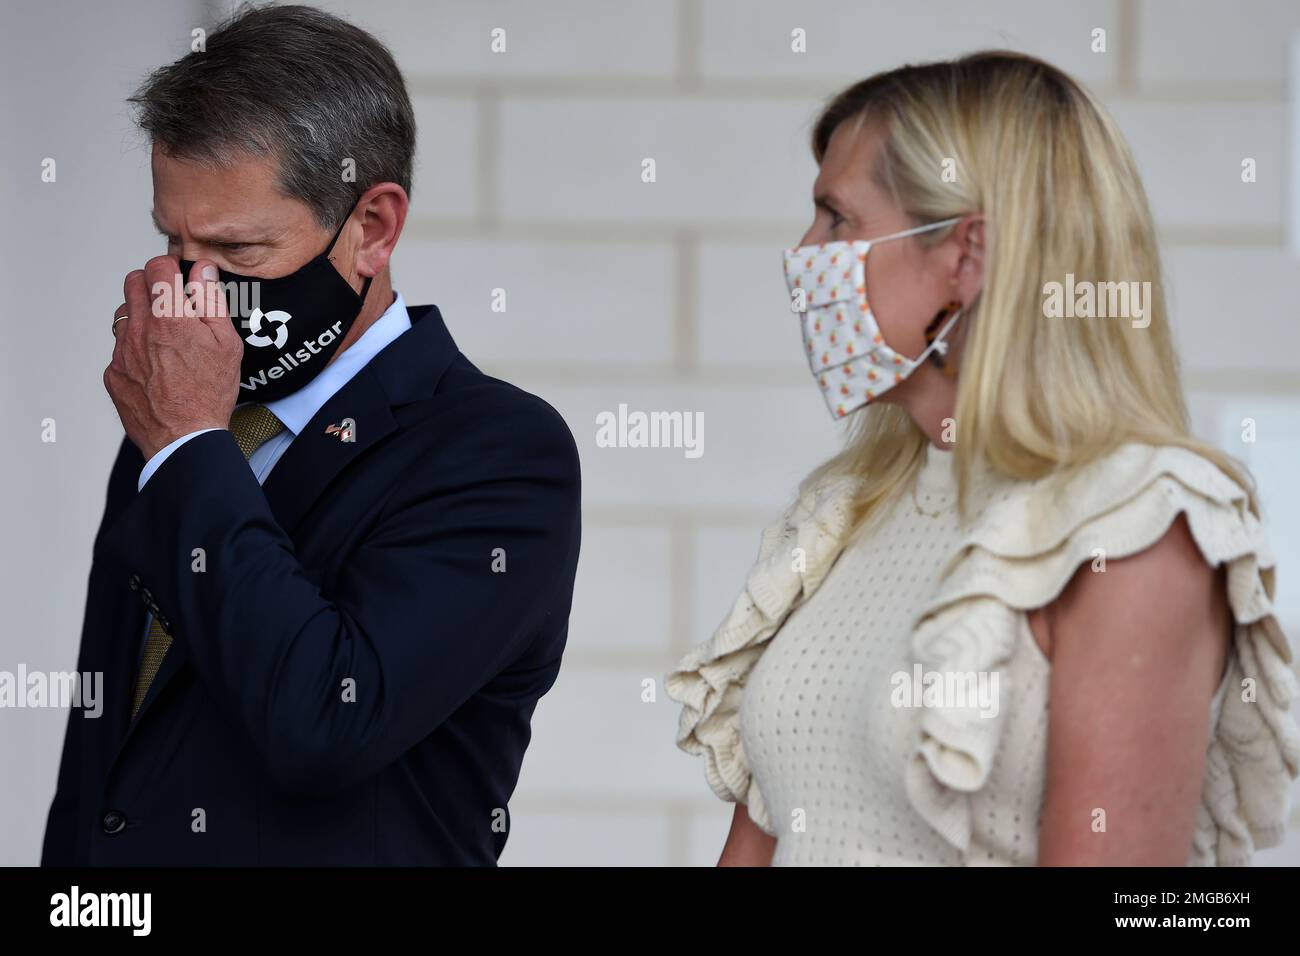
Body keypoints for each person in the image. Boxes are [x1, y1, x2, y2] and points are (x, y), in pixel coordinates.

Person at [666, 50, 1299, 866]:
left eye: (837, 220)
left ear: (965, 257)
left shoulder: (1139, 522)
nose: (803, 255)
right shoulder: (848, 511)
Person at [41, 4, 581, 866]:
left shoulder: (499, 453)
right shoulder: (174, 421)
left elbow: (327, 721)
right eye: (173, 244)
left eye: (238, 253)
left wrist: (188, 452)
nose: (191, 291)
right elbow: (108, 747)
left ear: (372, 228)